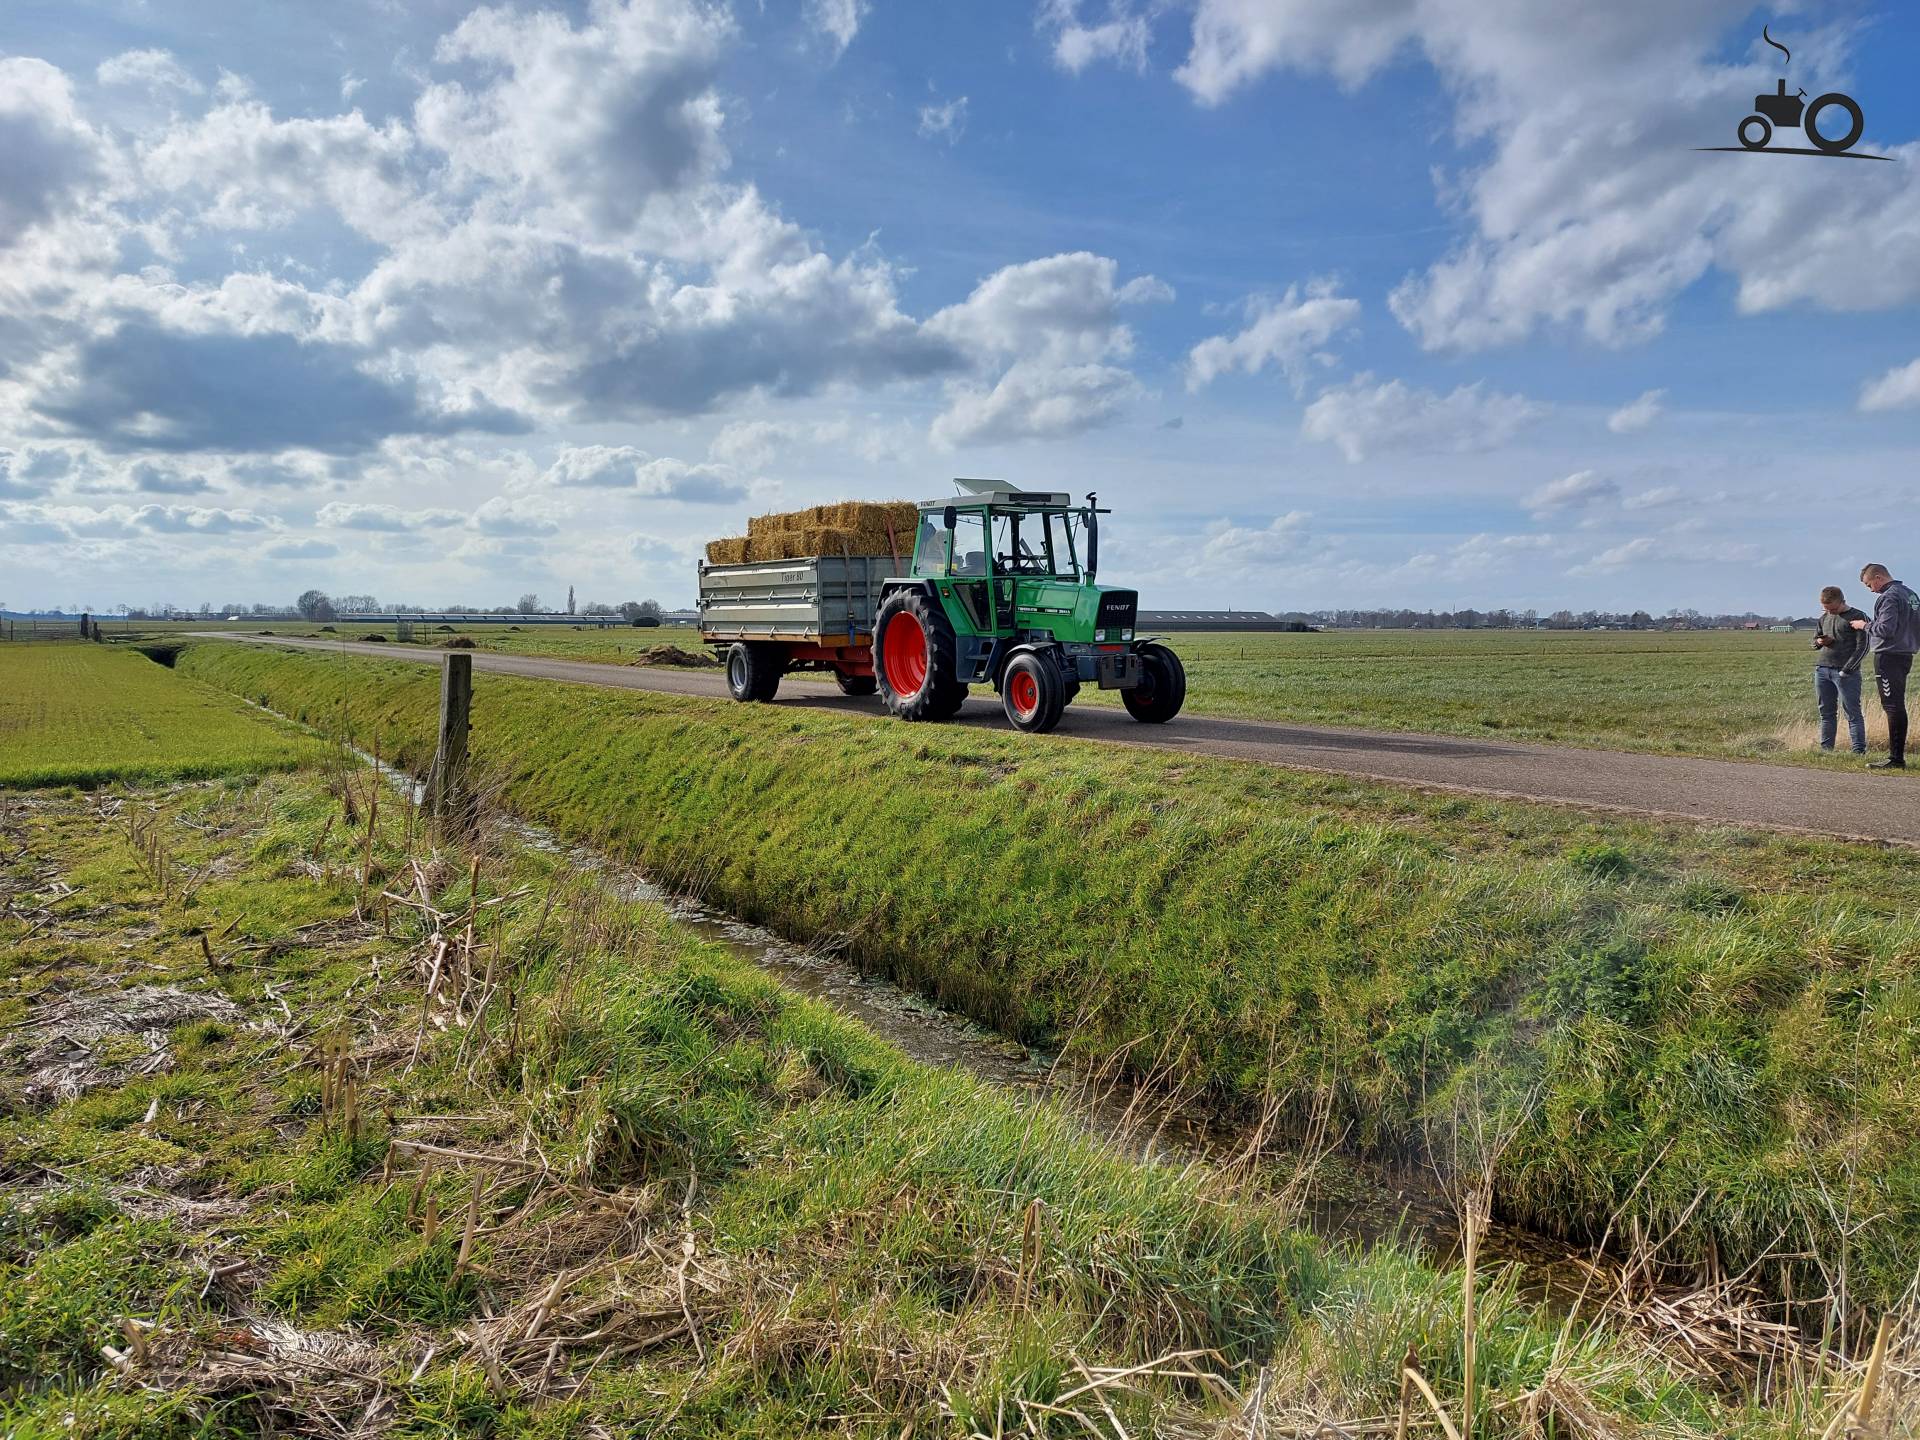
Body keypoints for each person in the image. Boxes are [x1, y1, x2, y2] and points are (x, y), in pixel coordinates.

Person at [1849, 563, 1920, 770]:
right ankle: (1897, 756)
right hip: (1906, 653)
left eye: (1869, 584)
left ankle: (1896, 758)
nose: (1870, 589)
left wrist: (1864, 625)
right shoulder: (1911, 594)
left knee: (1892, 706)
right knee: (1897, 704)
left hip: (1888, 655)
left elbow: (1884, 629)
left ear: (1878, 577)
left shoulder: (1888, 597)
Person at [1812, 585, 1868, 755]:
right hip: (1822, 669)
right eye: (1826, 608)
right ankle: (1826, 750)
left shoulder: (1858, 616)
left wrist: (1847, 670)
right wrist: (1819, 642)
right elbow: (1814, 640)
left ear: (1841, 601)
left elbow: (1863, 647)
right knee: (1826, 713)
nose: (1829, 611)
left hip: (1846, 673)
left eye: (1833, 608)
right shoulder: (1824, 617)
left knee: (1852, 713)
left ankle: (1858, 751)